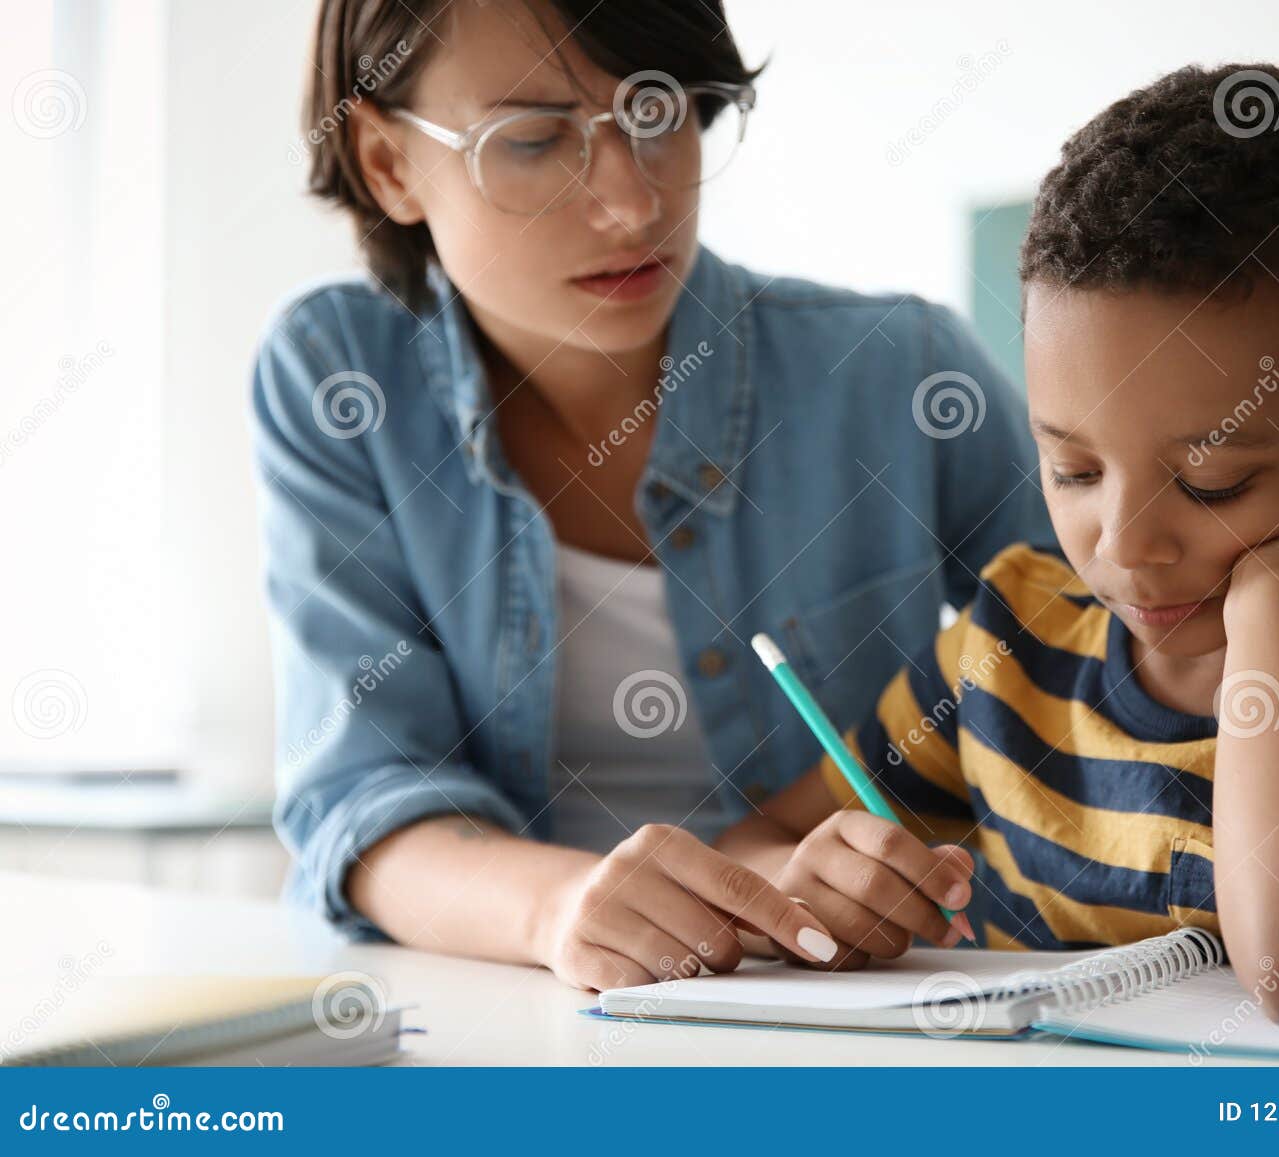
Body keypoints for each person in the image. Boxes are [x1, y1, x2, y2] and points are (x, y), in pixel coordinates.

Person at [717, 63, 1279, 1027]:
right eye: (1073, 471)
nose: (1123, 546)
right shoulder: (1011, 640)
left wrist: (1275, 610)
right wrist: (815, 878)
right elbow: (764, 837)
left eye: (1213, 482)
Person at [251, 0, 1051, 991]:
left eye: (659, 111)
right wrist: (559, 906)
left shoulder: (902, 373)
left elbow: (1117, 672)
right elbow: (361, 798)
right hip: (508, 1016)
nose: (633, 202)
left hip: (857, 1011)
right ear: (387, 164)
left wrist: (868, 864)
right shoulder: (340, 381)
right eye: (534, 139)